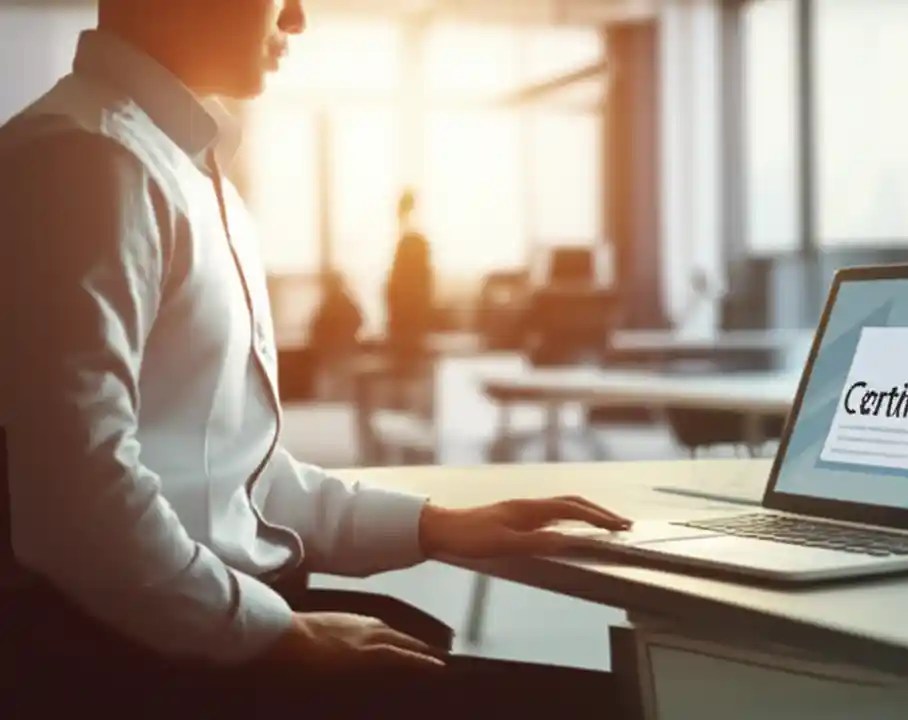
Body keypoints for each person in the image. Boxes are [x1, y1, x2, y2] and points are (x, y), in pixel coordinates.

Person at [0, 1, 631, 717]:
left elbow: (239, 482)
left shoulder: (184, 170)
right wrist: (277, 635)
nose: (297, 19)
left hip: (205, 616)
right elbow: (76, 509)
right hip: (132, 653)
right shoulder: (84, 159)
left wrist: (434, 523)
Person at [386, 190, 435, 367]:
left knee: (409, 364)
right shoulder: (408, 240)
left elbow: (421, 284)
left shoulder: (413, 241)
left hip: (410, 318)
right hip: (406, 319)